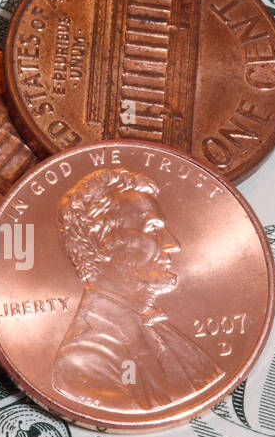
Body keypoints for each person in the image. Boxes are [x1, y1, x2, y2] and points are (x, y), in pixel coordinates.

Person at [52, 168, 225, 411]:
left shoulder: (156, 327)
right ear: (101, 244)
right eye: (153, 230)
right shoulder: (86, 360)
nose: (172, 244)